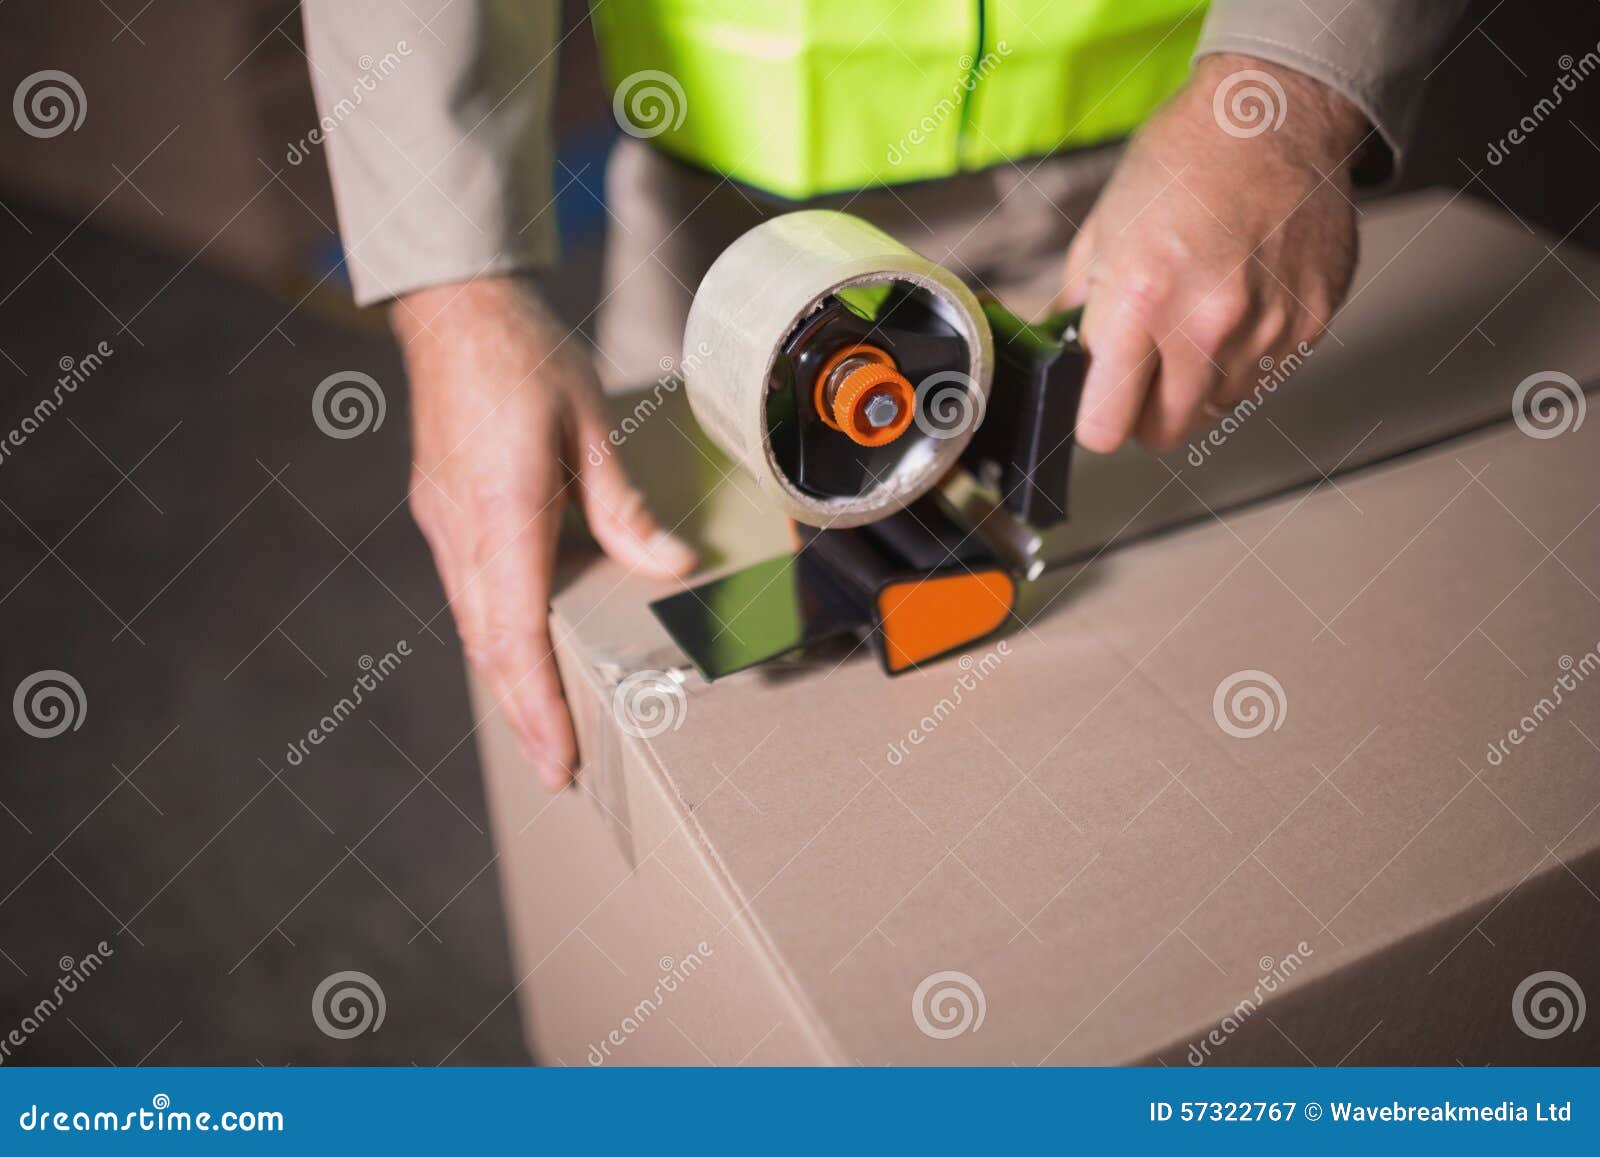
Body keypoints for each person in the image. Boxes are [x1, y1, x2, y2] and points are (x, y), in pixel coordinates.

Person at [299, 1, 1467, 789]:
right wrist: (449, 281)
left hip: (1179, 161)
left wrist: (1288, 88)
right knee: (717, 735)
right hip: (731, 226)